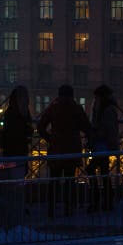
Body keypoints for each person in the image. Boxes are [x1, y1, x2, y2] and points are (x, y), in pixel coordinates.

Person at [37, 84, 91, 217]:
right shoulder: (76, 108)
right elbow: (86, 126)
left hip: (56, 150)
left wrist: (50, 138)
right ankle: (68, 209)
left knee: (53, 180)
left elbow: (40, 126)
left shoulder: (53, 108)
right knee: (69, 180)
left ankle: (51, 209)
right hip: (72, 150)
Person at [85, 85, 119, 212]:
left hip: (103, 145)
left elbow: (108, 129)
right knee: (104, 173)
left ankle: (97, 200)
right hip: (101, 145)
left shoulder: (107, 110)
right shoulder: (106, 109)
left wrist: (96, 135)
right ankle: (106, 201)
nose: (95, 99)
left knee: (91, 169)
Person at [1, 85, 34, 178]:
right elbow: (27, 129)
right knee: (19, 175)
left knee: (10, 175)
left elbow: (8, 130)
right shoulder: (24, 113)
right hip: (21, 148)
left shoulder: (10, 111)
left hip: (9, 148)